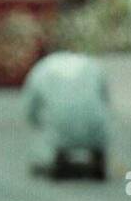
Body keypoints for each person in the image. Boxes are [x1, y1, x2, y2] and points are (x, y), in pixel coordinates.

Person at [22, 51, 111, 179]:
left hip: (60, 131)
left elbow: (30, 108)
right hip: (96, 130)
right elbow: (105, 99)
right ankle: (97, 158)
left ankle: (57, 158)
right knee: (97, 119)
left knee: (51, 129)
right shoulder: (91, 64)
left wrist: (38, 125)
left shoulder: (41, 69)